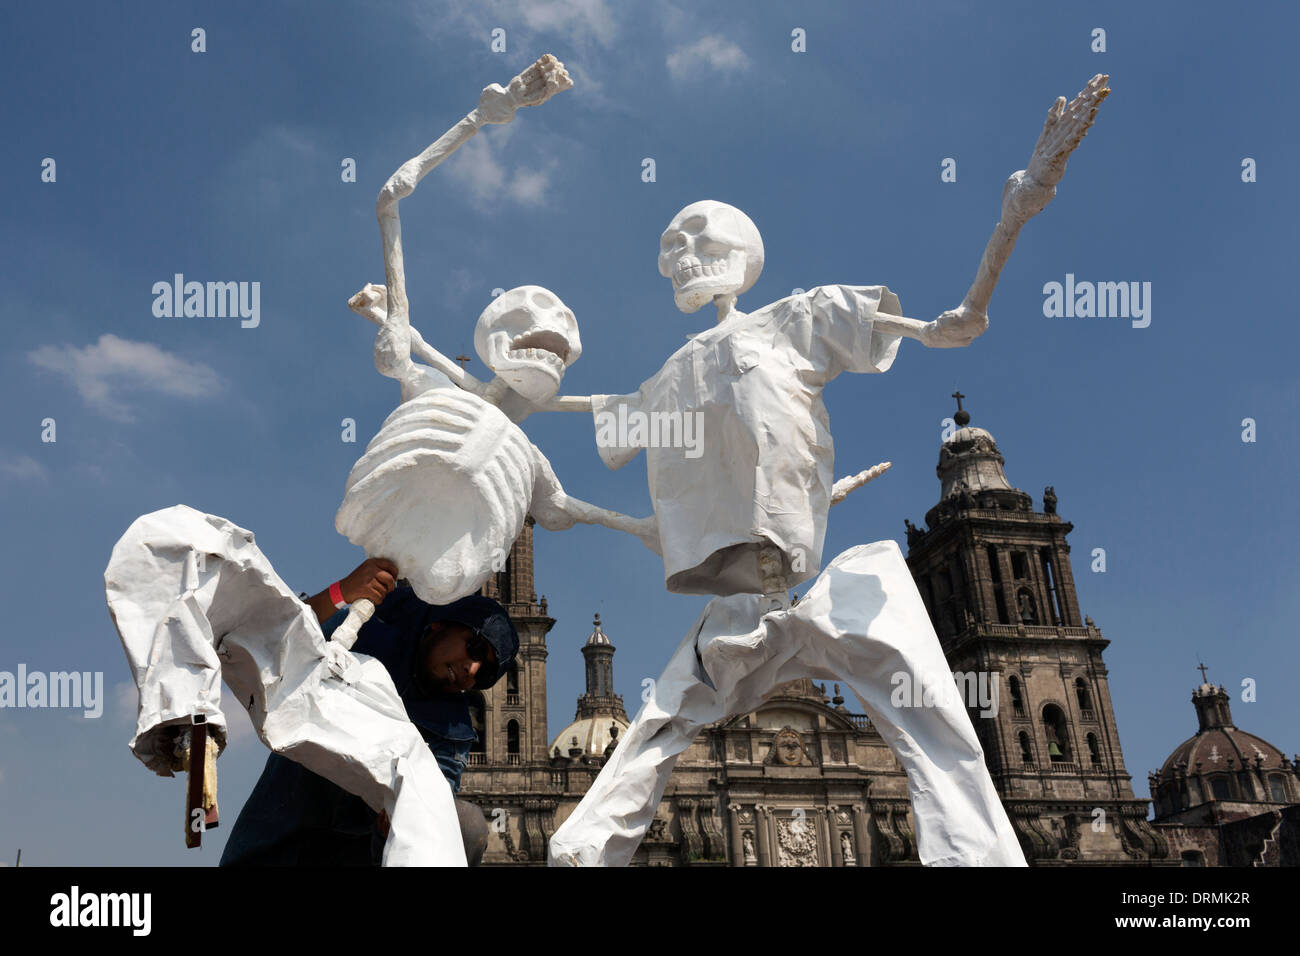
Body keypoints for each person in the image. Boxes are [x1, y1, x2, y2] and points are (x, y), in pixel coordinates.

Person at [220, 558, 518, 867]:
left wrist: (394, 821)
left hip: (361, 852)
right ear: (442, 623)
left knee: (465, 825)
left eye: (484, 675)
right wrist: (343, 591)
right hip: (282, 833)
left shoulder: (454, 735)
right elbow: (280, 634)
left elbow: (436, 808)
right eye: (475, 648)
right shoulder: (366, 626)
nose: (472, 669)